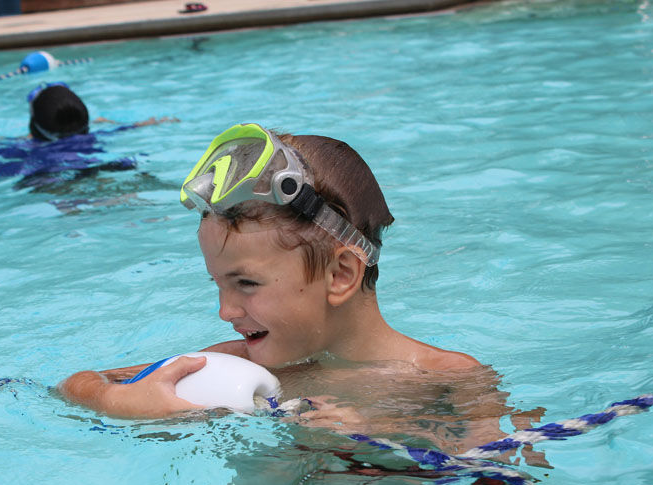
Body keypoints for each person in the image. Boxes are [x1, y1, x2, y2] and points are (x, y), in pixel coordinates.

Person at [58, 122, 541, 453]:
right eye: (219, 284)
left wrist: (388, 435)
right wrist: (118, 401)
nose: (226, 311)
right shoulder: (230, 361)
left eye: (245, 283)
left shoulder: (451, 377)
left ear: (340, 276)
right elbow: (75, 384)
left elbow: (495, 469)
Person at [0, 82, 177, 192]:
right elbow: (128, 127)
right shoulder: (96, 135)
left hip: (51, 176)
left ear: (35, 127)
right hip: (106, 165)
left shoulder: (22, 147)